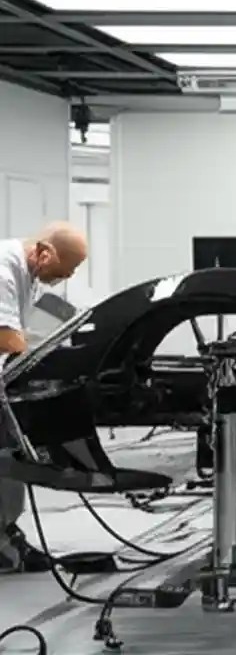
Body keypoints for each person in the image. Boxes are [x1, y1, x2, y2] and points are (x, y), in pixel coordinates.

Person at [0, 221, 87, 573]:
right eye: (65, 270)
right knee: (7, 457)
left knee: (10, 459)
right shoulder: (4, 270)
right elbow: (7, 338)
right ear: (44, 252)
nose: (67, 277)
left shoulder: (30, 272)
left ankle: (5, 539)